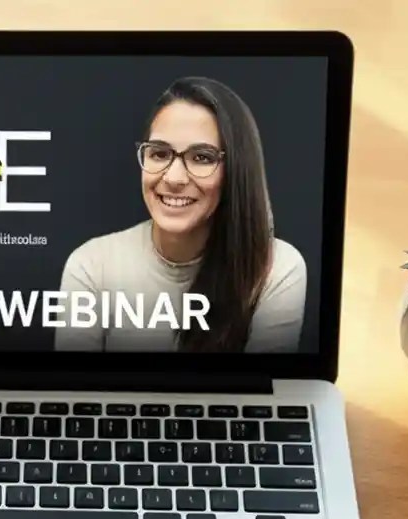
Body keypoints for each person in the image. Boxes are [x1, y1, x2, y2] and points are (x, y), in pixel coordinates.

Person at [53, 77, 307, 353]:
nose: (173, 178)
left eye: (202, 157)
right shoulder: (92, 265)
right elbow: (75, 388)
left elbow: (263, 392)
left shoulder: (276, 268)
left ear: (237, 170)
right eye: (159, 153)